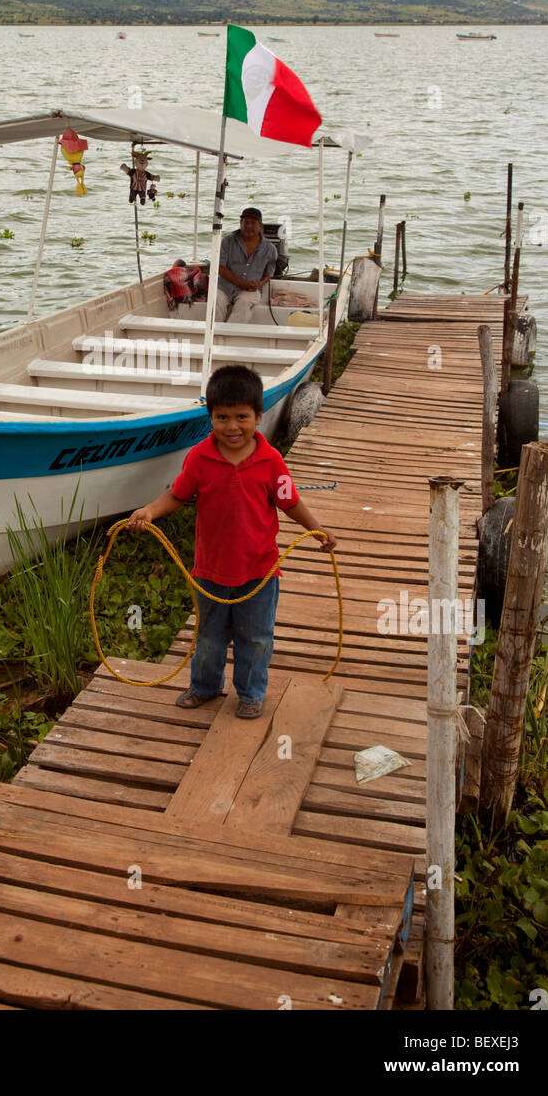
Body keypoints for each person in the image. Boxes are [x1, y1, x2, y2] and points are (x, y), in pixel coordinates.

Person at [126, 364, 337, 718]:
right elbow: (177, 495)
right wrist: (150, 510)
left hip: (260, 571)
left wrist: (317, 529)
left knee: (255, 638)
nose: (232, 426)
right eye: (222, 417)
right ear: (210, 417)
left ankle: (251, 693)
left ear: (258, 416)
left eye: (242, 416)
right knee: (209, 637)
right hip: (210, 572)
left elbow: (290, 502)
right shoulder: (199, 458)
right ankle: (205, 686)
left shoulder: (272, 462)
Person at [216, 207, 276, 323]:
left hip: (250, 290)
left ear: (260, 226)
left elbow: (269, 272)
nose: (249, 226)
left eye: (253, 223)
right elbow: (220, 268)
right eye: (246, 222)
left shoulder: (270, 249)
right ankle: (214, 335)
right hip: (224, 287)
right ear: (240, 223)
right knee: (216, 299)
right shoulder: (227, 241)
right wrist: (241, 283)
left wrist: (260, 283)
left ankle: (229, 336)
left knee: (244, 302)